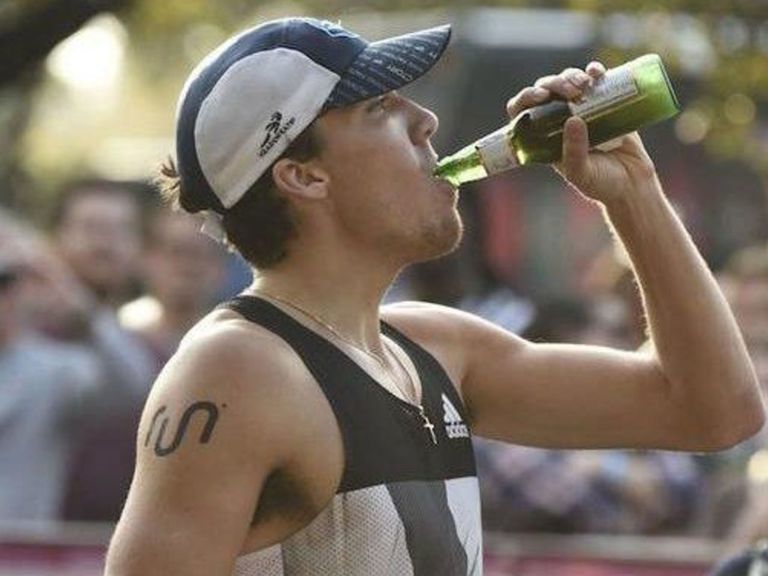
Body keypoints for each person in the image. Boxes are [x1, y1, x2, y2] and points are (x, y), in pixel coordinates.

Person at [105, 17, 764, 576]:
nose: (427, 121)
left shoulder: (434, 346)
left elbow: (714, 412)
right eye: (381, 109)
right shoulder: (237, 373)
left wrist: (632, 192)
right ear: (303, 176)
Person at [46, 179, 156, 521]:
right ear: (56, 238)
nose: (105, 244)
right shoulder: (20, 339)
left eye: (121, 230)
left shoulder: (153, 348)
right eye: (92, 228)